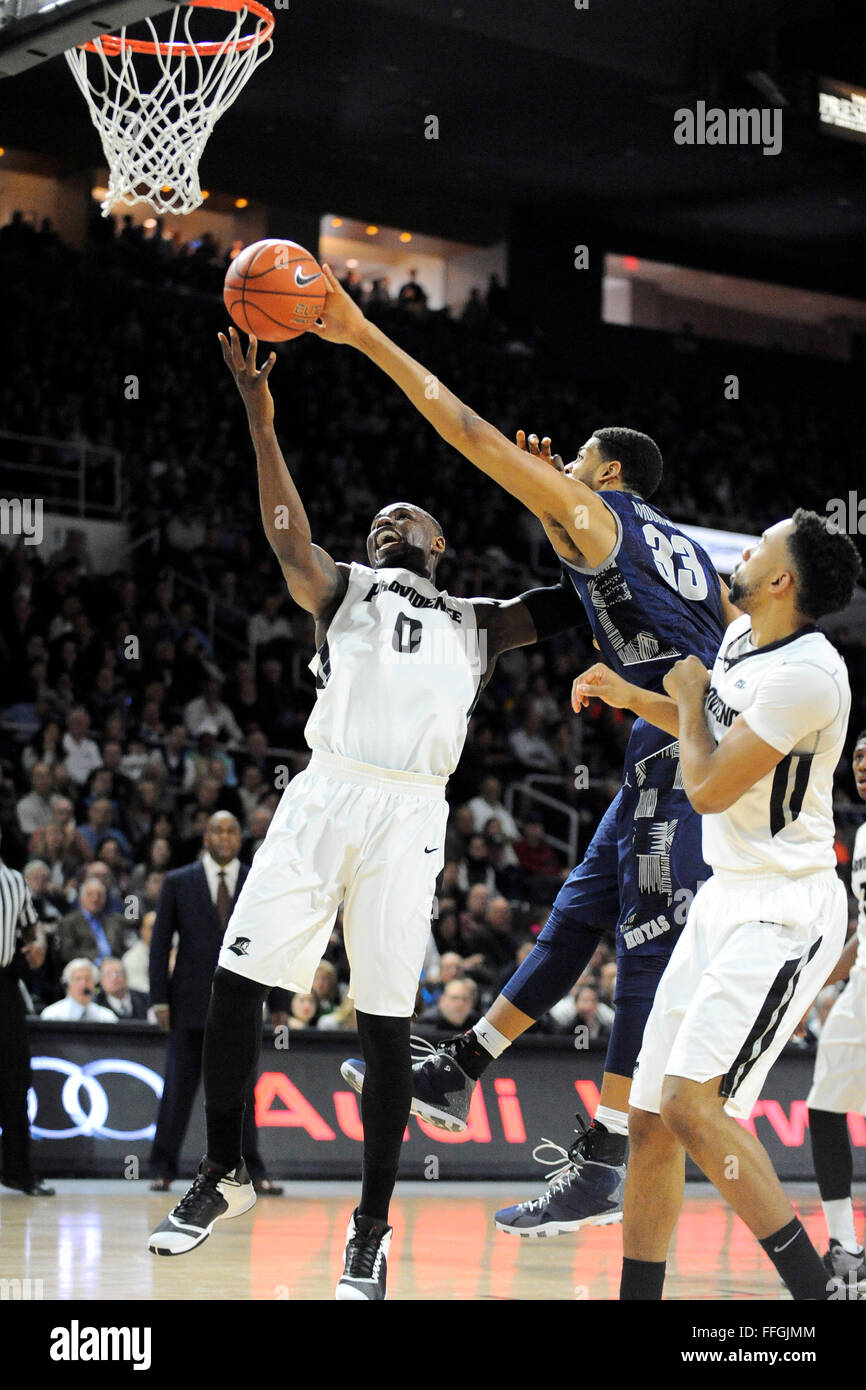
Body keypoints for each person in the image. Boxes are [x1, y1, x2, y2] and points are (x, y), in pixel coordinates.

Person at [147, 326, 585, 1300]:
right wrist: (261, 420)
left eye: (409, 519)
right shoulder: (340, 588)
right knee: (233, 980)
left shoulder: (476, 619)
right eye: (383, 518)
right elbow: (286, 538)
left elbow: (568, 601)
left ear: (442, 546)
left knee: (384, 1025)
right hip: (323, 791)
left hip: (409, 815)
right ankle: (221, 1171)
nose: (391, 523)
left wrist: (559, 501)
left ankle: (371, 1233)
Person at [312, 263, 730, 1235]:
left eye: (577, 460)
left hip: (689, 750)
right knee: (578, 905)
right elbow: (631, 611)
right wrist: (556, 503)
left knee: (640, 947)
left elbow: (462, 431)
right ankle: (456, 1068)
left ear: (608, 472)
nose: (564, 469)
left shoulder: (595, 514)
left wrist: (366, 335)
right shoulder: (670, 546)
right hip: (649, 742)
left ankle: (603, 1156)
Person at [572, 513, 861, 1300]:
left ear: (781, 581)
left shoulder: (809, 674)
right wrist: (634, 693)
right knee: (650, 1117)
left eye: (759, 545)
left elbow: (705, 786)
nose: (746, 550)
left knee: (692, 1106)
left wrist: (691, 692)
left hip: (785, 911)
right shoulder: (740, 641)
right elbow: (711, 733)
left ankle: (820, 1292)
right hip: (725, 900)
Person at [147, 811, 279, 1196]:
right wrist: (159, 999)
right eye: (217, 830)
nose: (224, 836)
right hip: (188, 1002)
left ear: (240, 837)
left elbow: (273, 938)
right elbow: (159, 946)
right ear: (205, 836)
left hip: (241, 1002)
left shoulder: (258, 880)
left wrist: (281, 997)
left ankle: (249, 1168)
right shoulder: (177, 881)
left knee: (242, 1093)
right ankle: (161, 1166)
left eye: (231, 830)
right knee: (177, 1091)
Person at [806, 726, 866, 1288]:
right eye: (859, 756)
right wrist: (816, 987)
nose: (863, 765)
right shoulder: (863, 835)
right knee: (825, 1108)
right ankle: (845, 1243)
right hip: (861, 994)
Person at [0, 828, 55, 1194]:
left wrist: (38, 947)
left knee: (15, 1080)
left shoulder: (14, 881)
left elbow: (33, 932)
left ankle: (18, 1171)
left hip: (3, 986)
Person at [41, 958, 118, 1022]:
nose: (83, 984)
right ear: (68, 984)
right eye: (78, 979)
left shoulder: (107, 1017)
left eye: (87, 979)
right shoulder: (52, 1015)